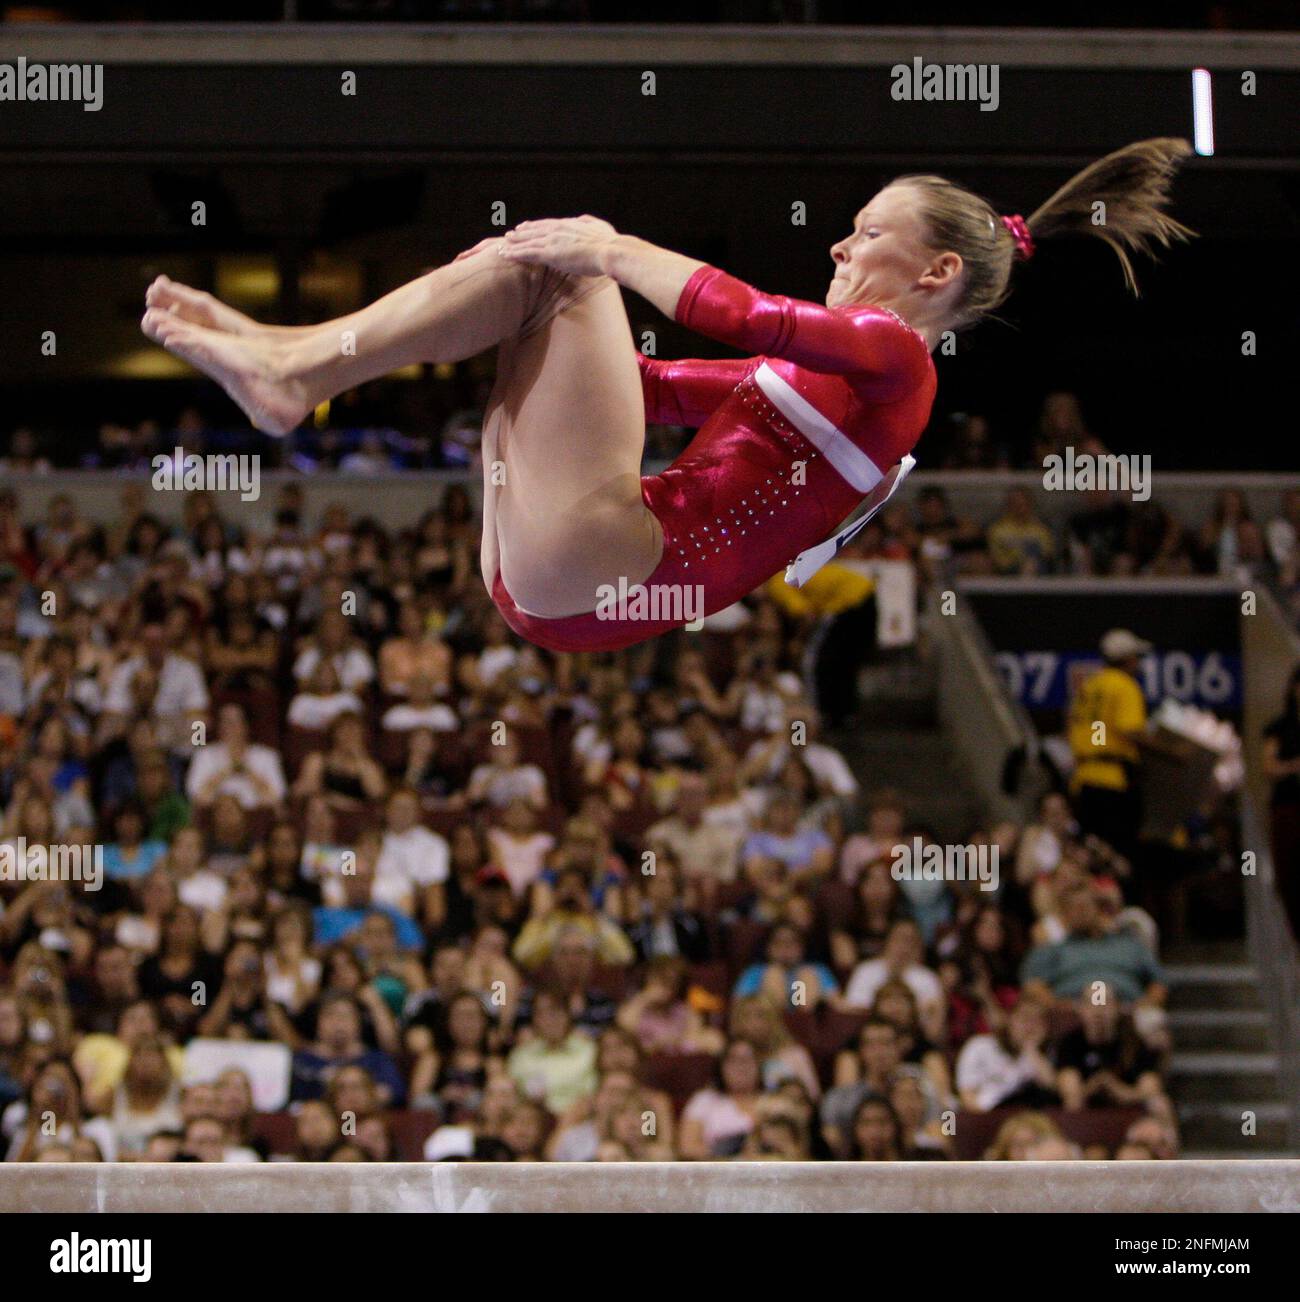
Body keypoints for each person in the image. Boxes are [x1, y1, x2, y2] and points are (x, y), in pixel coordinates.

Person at [142, 139, 1193, 651]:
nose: (840, 240)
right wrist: (486, 294)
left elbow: (745, 314)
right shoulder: (822, 391)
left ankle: (294, 370)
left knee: (576, 260)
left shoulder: (899, 364)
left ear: (935, 277)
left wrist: (609, 248)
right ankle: (296, 358)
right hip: (556, 588)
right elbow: (643, 384)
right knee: (537, 276)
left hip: (602, 559)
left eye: (868, 230)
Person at [1263, 665, 1300, 935]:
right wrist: (1293, 767)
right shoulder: (1280, 727)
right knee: (1289, 874)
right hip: (1289, 805)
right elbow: (1268, 767)